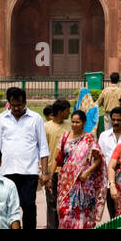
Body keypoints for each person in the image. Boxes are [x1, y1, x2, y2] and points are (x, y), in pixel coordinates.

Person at [0, 87, 51, 230]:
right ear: (9, 103)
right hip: (6, 171)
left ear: (25, 102)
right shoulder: (2, 119)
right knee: (8, 207)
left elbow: (43, 147)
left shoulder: (35, 118)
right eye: (13, 105)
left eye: (19, 105)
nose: (16, 108)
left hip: (28, 172)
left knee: (29, 205)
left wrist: (45, 172)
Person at [54, 109, 105, 229]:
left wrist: (87, 172)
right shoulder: (65, 137)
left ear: (84, 123)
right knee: (65, 211)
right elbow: (57, 158)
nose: (74, 124)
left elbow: (98, 159)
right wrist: (49, 175)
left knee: (82, 211)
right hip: (66, 182)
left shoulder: (89, 138)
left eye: (77, 122)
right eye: (73, 122)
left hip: (84, 183)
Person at [43, 98, 71, 229]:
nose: (69, 113)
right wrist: (44, 173)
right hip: (51, 171)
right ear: (60, 112)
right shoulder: (46, 127)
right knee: (52, 203)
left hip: (68, 172)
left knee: (68, 203)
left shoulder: (70, 126)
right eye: (67, 110)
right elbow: (42, 151)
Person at [99, 107, 121, 216]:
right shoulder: (104, 136)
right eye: (113, 120)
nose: (115, 122)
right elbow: (100, 158)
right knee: (113, 212)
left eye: (118, 120)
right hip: (109, 181)